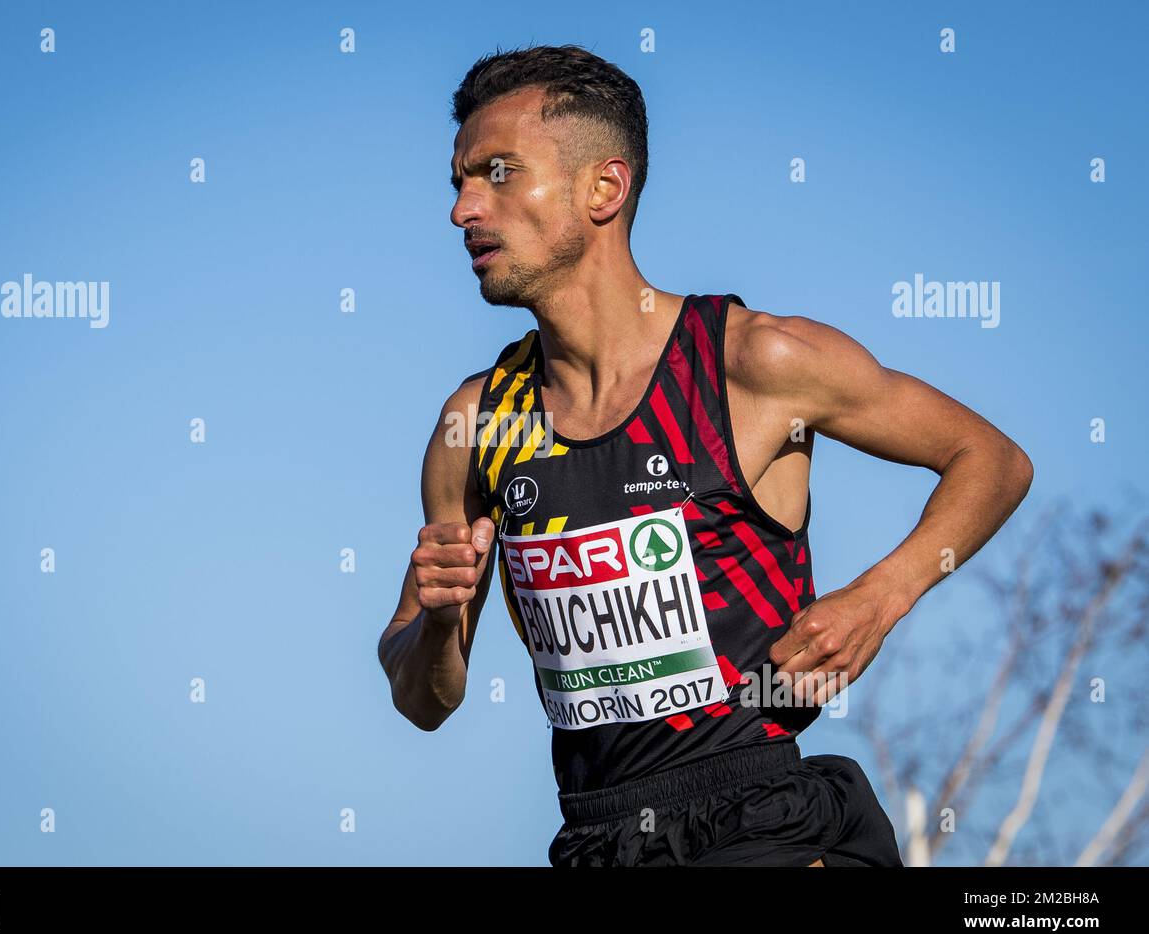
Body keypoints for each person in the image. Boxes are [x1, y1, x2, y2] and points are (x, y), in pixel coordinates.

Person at [377, 44, 1033, 866]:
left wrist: (880, 595)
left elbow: (993, 458)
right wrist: (438, 624)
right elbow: (424, 699)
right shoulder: (477, 422)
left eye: (497, 173)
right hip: (596, 838)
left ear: (604, 189)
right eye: (459, 182)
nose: (464, 209)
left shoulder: (753, 363)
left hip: (765, 823)